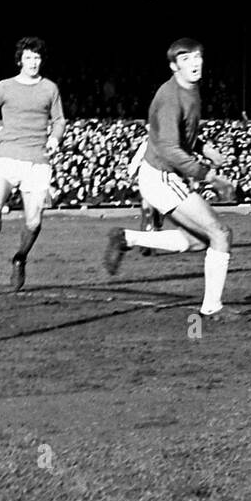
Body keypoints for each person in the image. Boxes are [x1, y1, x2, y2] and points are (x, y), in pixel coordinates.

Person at [102, 39, 238, 318]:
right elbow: (170, 148)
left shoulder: (190, 89)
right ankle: (212, 308)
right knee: (220, 234)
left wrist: (203, 147)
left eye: (198, 56)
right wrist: (211, 176)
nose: (195, 62)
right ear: (174, 66)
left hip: (163, 176)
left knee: (200, 241)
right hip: (161, 176)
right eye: (186, 59)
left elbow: (179, 134)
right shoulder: (170, 96)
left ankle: (126, 238)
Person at [0, 36, 65, 291]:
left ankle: (19, 259)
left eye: (37, 57)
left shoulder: (50, 88)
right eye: (28, 58)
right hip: (7, 154)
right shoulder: (4, 87)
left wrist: (55, 139)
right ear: (20, 60)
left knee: (33, 222)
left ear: (41, 60)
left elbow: (59, 121)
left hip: (37, 159)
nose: (33, 62)